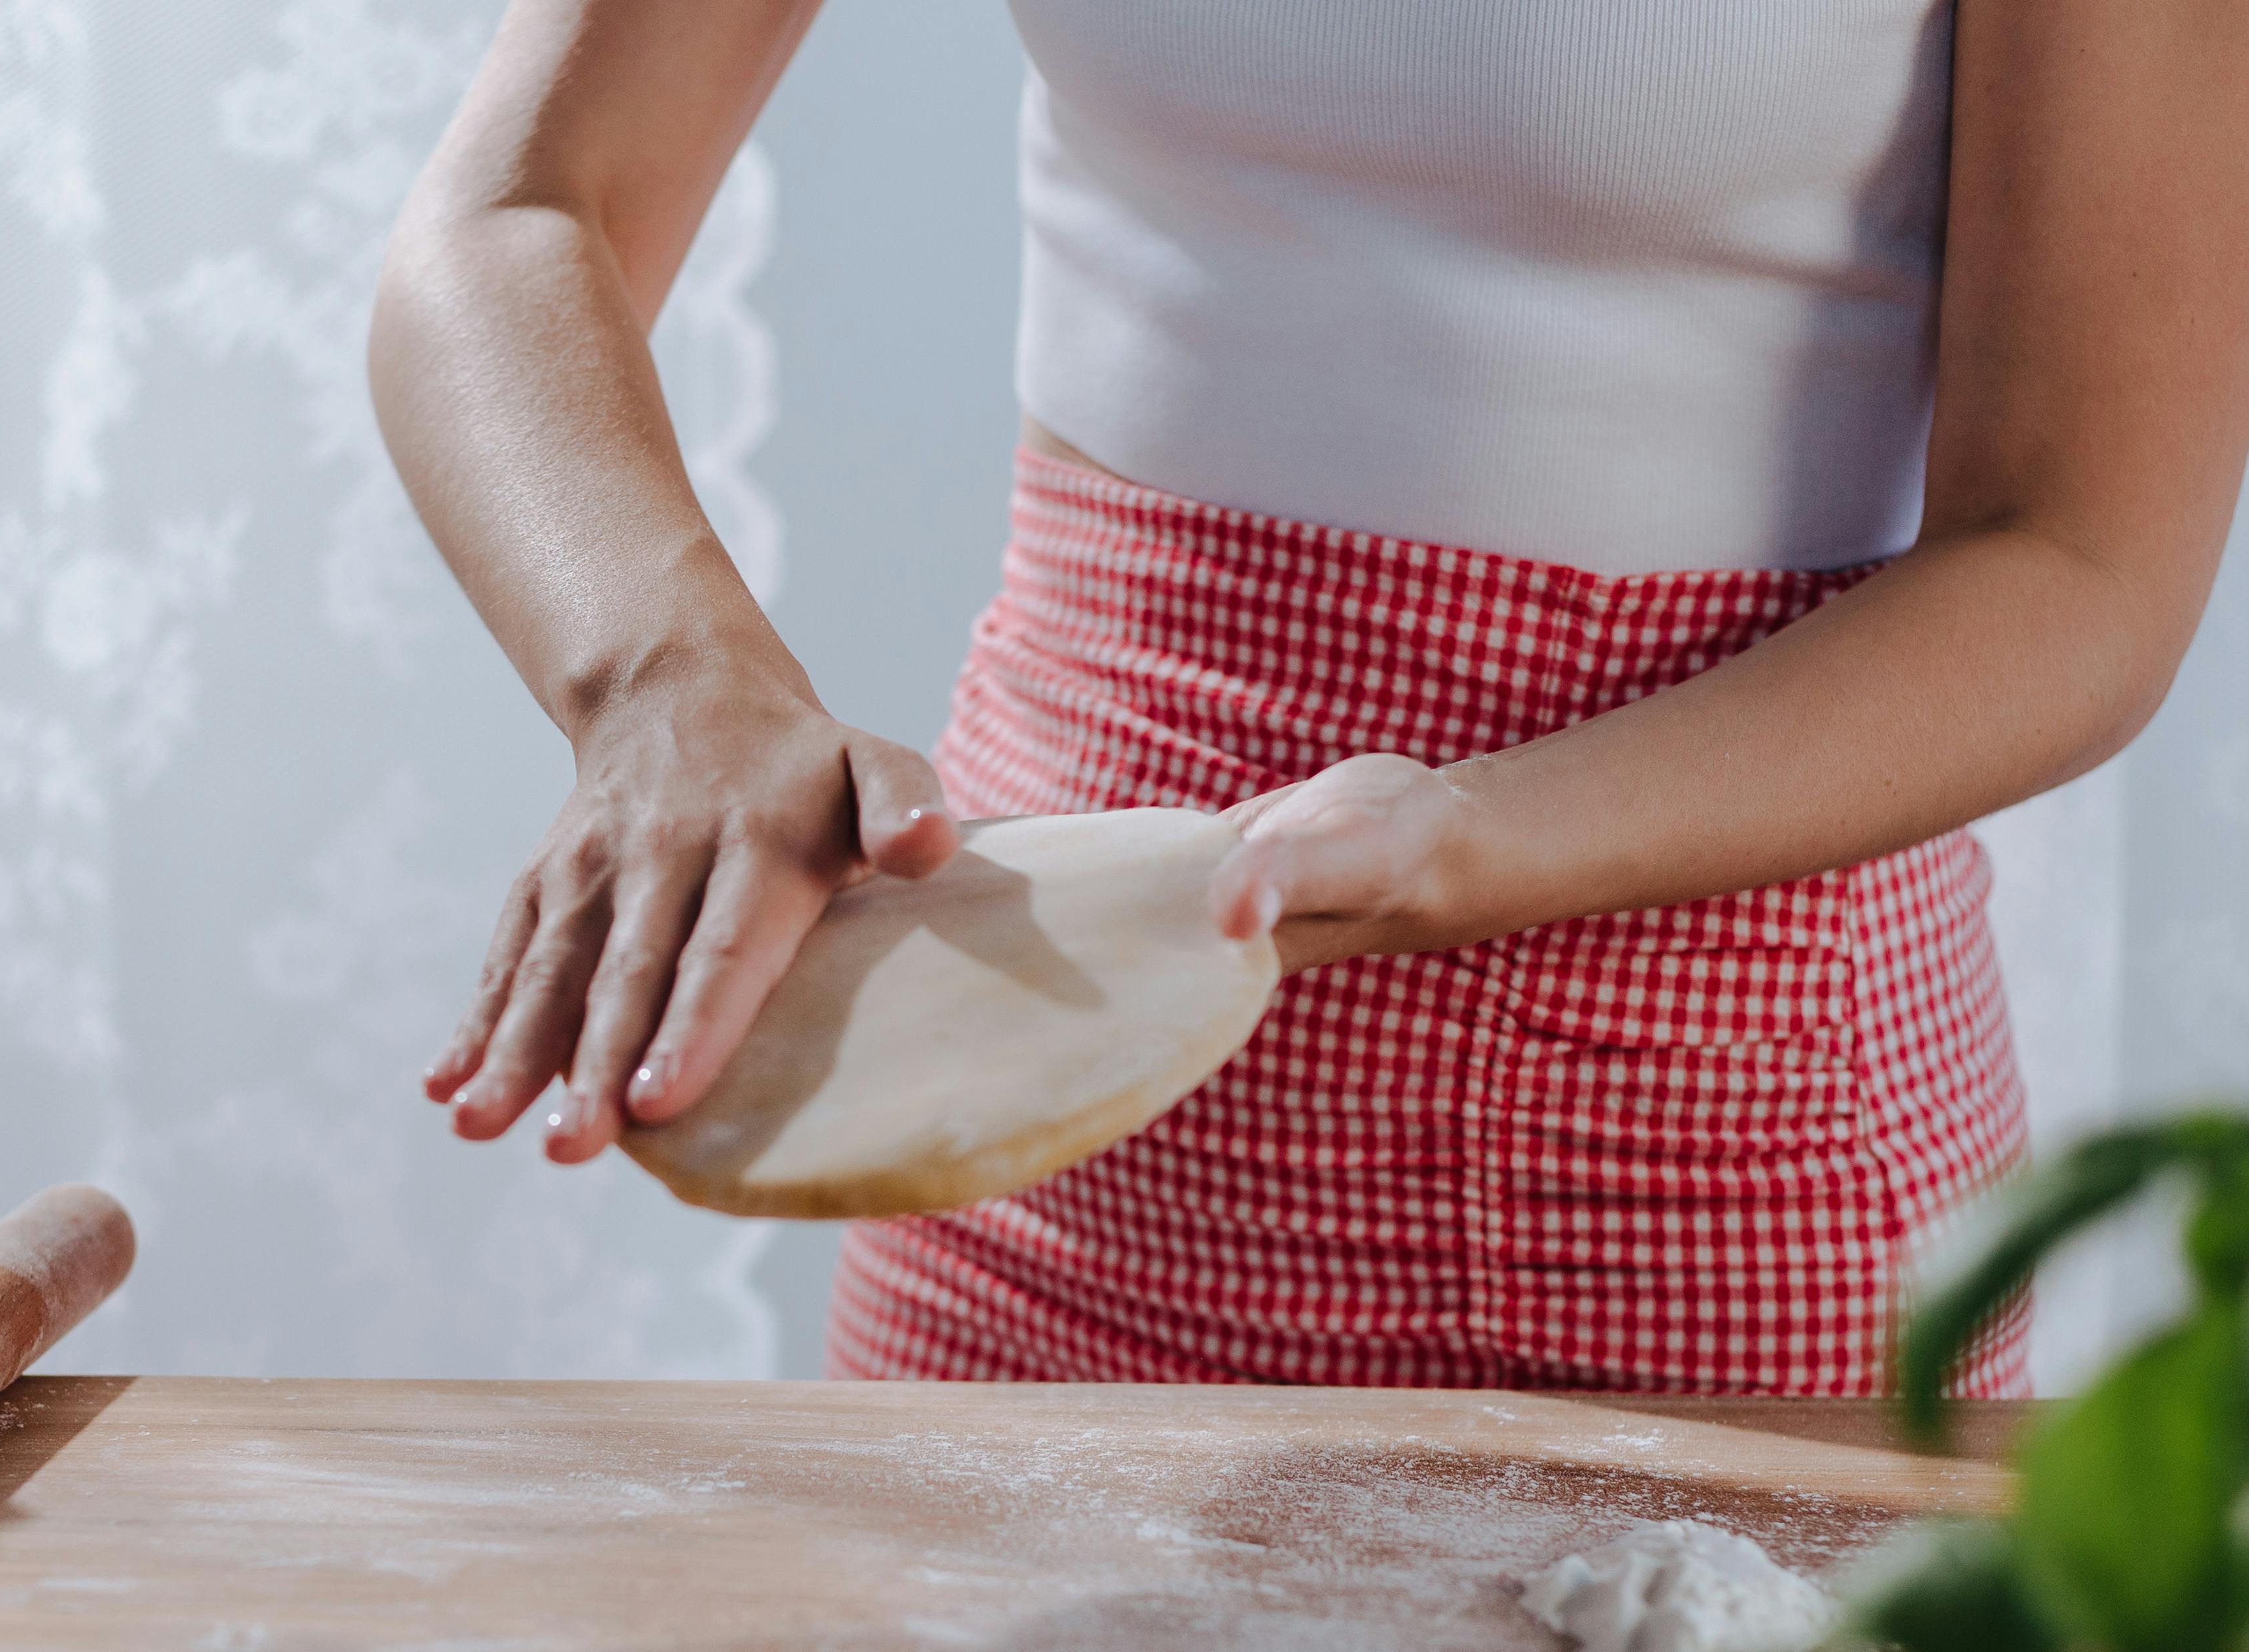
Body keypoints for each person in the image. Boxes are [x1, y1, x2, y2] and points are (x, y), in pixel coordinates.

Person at [369, 1, 2249, 1396]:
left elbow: (2074, 563)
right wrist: (666, 676)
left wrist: (1471, 834)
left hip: (1712, 1122)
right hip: (1044, 1075)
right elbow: (523, 208)